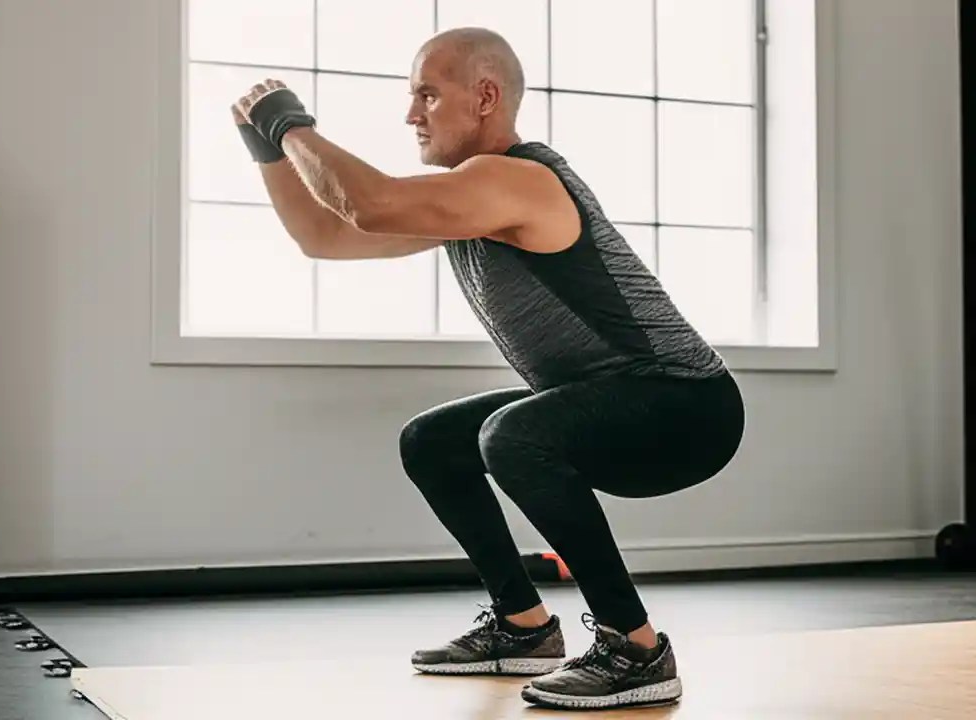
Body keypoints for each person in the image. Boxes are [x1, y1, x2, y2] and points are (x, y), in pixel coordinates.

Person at [231, 26, 745, 712]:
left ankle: (636, 648)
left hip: (686, 408)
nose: (411, 114)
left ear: (485, 97)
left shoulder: (517, 180)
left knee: (511, 435)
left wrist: (288, 122)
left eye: (427, 95)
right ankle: (523, 627)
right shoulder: (469, 205)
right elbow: (325, 236)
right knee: (433, 441)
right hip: (612, 401)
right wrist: (266, 148)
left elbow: (370, 201)